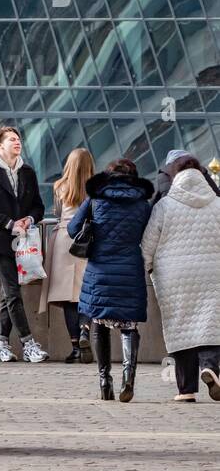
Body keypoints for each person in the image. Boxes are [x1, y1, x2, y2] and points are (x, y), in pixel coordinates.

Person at [68, 158, 154, 402]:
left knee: (99, 322)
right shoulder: (142, 203)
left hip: (100, 270)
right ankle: (129, 376)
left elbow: (74, 230)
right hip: (130, 269)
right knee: (128, 325)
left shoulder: (95, 199)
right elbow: (150, 235)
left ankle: (105, 382)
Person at [142, 160, 220, 403]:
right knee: (211, 324)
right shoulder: (218, 205)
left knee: (180, 326)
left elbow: (148, 245)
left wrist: (145, 268)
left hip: (172, 277)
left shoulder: (164, 206)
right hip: (212, 273)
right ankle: (210, 368)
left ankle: (186, 389)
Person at [0, 125, 48, 363]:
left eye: (19, 139)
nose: (18, 142)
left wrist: (29, 219)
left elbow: (38, 206)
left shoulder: (27, 172)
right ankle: (28, 343)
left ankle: (1, 343)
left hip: (22, 241)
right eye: (12, 139)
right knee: (13, 292)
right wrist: (8, 223)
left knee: (8, 292)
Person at [40, 148, 94, 363]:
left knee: (68, 300)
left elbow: (57, 213)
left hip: (63, 240)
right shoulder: (95, 188)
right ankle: (85, 331)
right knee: (85, 295)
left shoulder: (59, 186)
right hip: (86, 243)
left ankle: (75, 348)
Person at [152, 148, 220, 206]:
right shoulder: (200, 171)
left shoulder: (161, 177)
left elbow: (153, 201)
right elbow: (216, 192)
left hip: (175, 215)